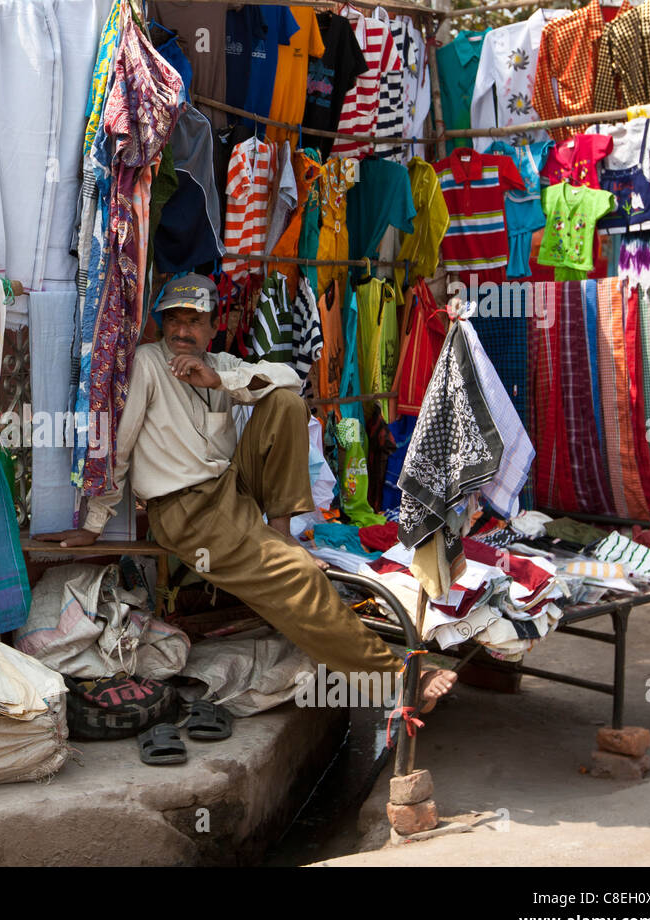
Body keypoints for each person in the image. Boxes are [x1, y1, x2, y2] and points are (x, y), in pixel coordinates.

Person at [35, 273, 456, 711]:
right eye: (173, 320)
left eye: (194, 321)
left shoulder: (218, 364)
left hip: (232, 488)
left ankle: (281, 531)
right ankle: (398, 680)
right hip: (188, 511)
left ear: (213, 326)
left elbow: (289, 379)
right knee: (299, 576)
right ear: (159, 324)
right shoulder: (147, 363)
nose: (182, 331)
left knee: (284, 403)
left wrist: (216, 381)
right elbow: (118, 448)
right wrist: (93, 524)